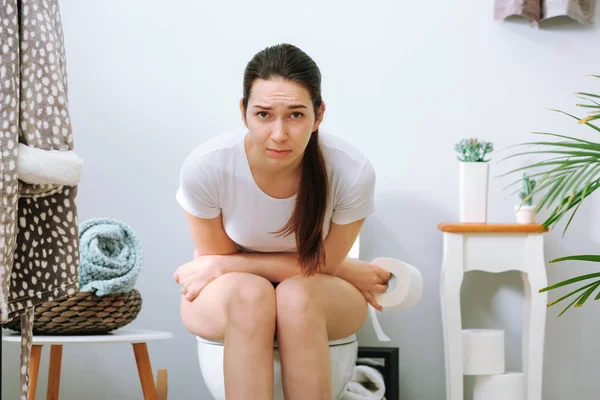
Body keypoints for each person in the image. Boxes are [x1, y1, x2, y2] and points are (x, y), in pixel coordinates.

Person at [173, 43, 392, 400]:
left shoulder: (350, 170)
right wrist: (344, 269)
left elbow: (223, 263)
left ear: (318, 115)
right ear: (243, 112)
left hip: (313, 291)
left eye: (295, 115)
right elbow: (228, 272)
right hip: (234, 293)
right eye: (263, 115)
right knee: (250, 294)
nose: (279, 134)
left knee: (296, 297)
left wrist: (333, 266)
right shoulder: (208, 166)